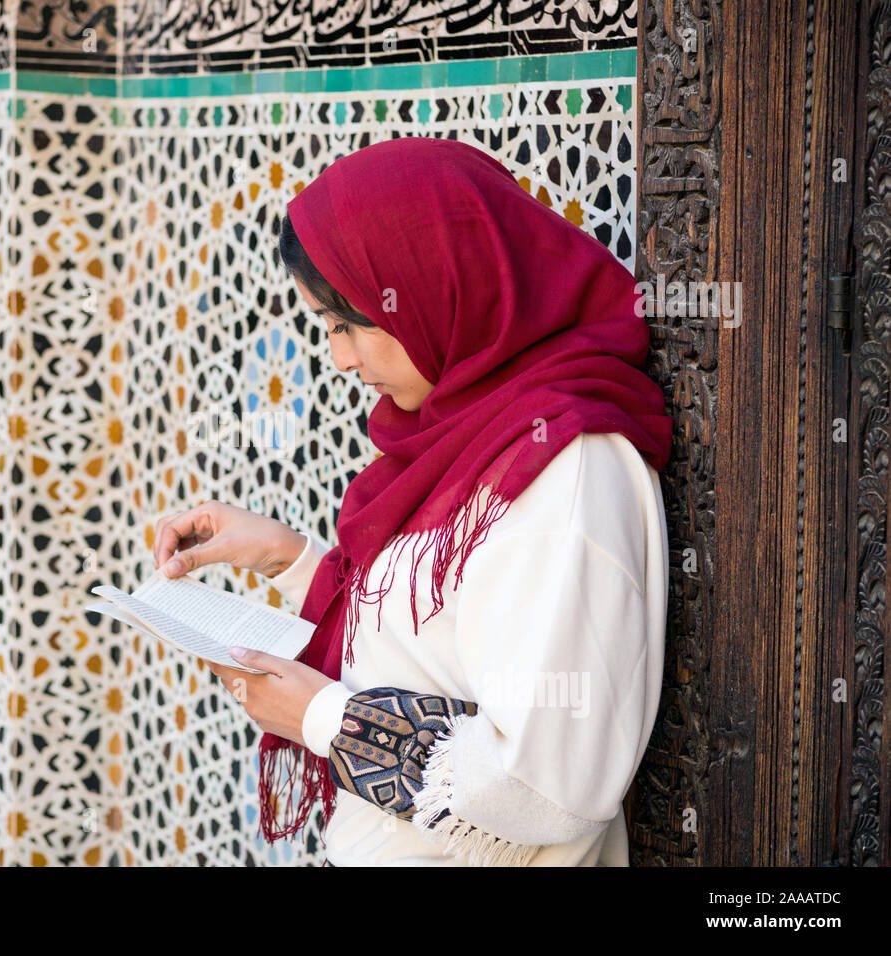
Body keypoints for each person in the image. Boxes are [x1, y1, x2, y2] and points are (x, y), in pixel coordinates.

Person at [151, 136, 673, 866]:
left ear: (436, 283)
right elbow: (432, 640)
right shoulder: (459, 438)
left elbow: (550, 785)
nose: (338, 358)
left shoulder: (566, 471)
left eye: (347, 324)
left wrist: (323, 719)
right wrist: (288, 558)